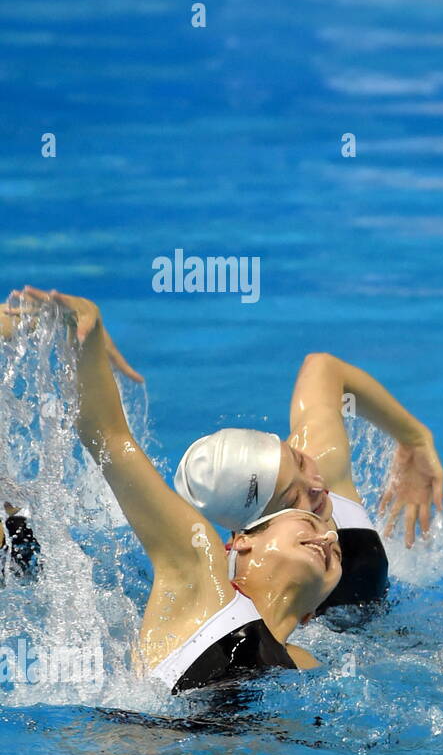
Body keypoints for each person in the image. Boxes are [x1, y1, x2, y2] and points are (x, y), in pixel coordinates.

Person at [8, 287, 341, 694]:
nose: (327, 536)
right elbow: (108, 438)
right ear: (241, 543)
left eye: (337, 548)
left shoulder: (307, 667)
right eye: (304, 518)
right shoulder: (198, 575)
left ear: (310, 616)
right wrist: (86, 336)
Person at [173, 353, 443, 616]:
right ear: (255, 530)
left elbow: (323, 366)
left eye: (300, 462)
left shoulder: (322, 459)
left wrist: (415, 441)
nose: (316, 484)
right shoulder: (237, 592)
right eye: (292, 499)